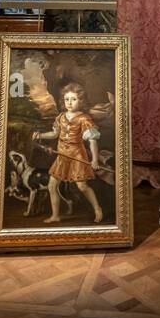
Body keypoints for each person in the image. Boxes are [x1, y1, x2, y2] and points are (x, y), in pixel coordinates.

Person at [31, 83, 103, 224]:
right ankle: (55, 215)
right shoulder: (61, 117)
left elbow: (92, 141)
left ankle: (97, 208)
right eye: (67, 99)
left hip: (77, 156)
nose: (69, 103)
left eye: (74, 99)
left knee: (82, 186)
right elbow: (55, 134)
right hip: (62, 156)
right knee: (52, 185)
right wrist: (40, 135)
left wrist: (94, 160)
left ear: (81, 101)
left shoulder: (84, 119)